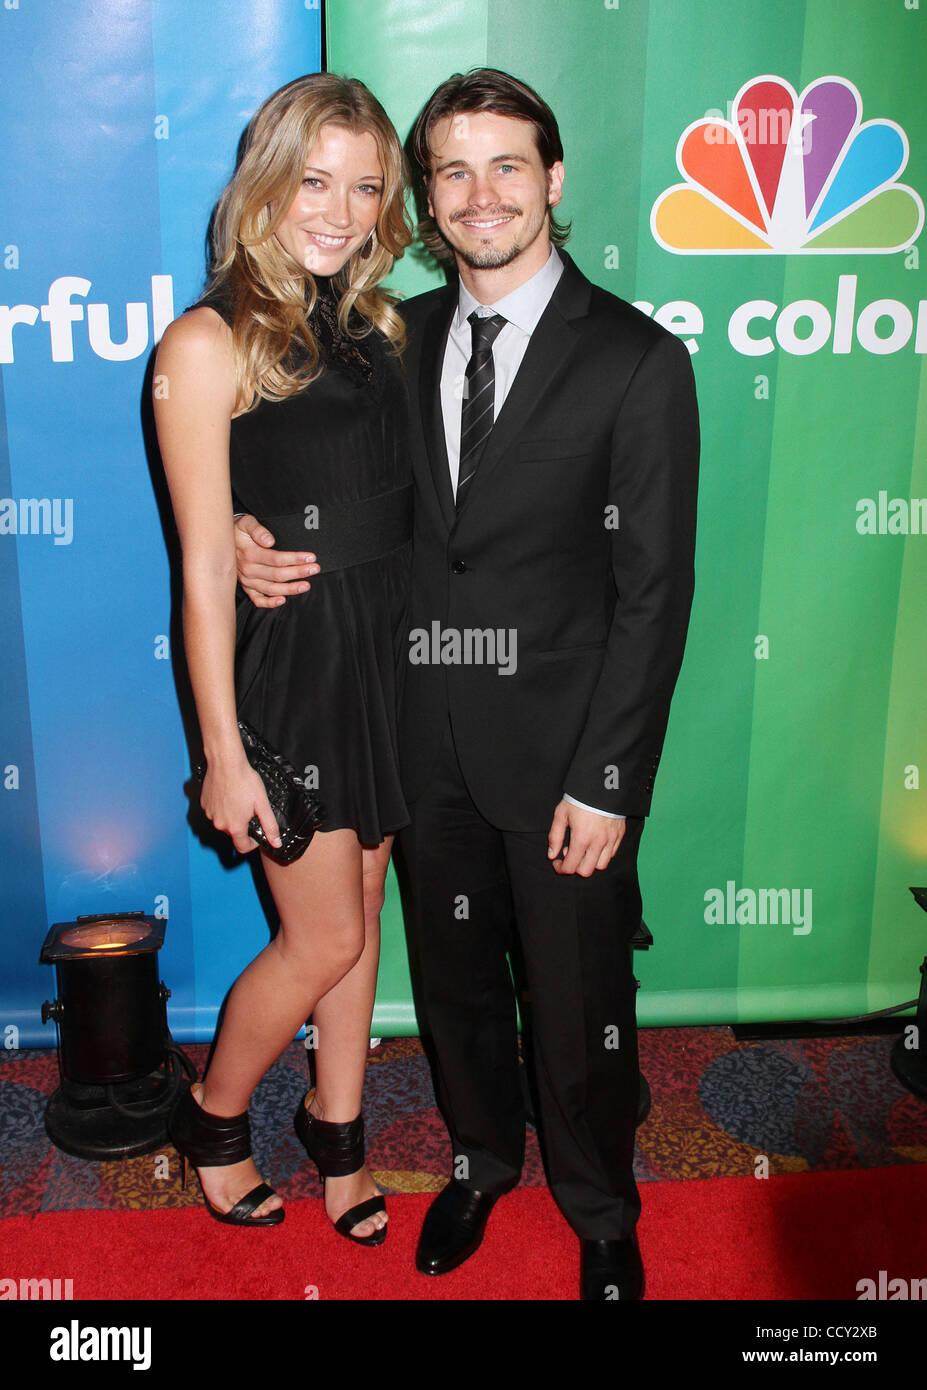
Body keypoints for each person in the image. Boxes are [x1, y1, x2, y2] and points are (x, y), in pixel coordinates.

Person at [233, 68, 699, 1298]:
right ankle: (485, 1159)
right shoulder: (396, 338)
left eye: (508, 166)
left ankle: (601, 1207)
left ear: (554, 181)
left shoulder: (639, 362)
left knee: (579, 994)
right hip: (417, 734)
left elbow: (655, 598)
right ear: (428, 203)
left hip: (561, 758)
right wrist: (237, 527)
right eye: (452, 170)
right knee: (450, 985)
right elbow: (306, 463)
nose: (481, 194)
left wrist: (610, 781)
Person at [154, 72, 413, 1241]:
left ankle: (340, 1140)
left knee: (363, 904)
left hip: (387, 657)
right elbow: (206, 562)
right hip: (294, 672)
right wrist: (222, 754)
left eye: (364, 188)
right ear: (266, 179)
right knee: (329, 933)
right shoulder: (207, 342)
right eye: (315, 180)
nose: (340, 210)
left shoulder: (373, 327)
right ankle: (211, 1115)